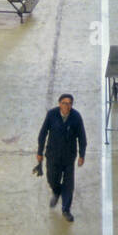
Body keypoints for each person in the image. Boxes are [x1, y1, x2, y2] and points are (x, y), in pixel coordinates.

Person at [37, 93, 87, 222]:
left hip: (69, 157)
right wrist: (39, 152)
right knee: (52, 178)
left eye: (69, 103)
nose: (67, 106)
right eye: (64, 103)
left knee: (69, 184)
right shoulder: (52, 115)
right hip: (53, 155)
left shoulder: (76, 117)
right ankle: (56, 191)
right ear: (59, 103)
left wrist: (82, 155)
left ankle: (66, 209)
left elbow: (82, 137)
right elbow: (43, 134)